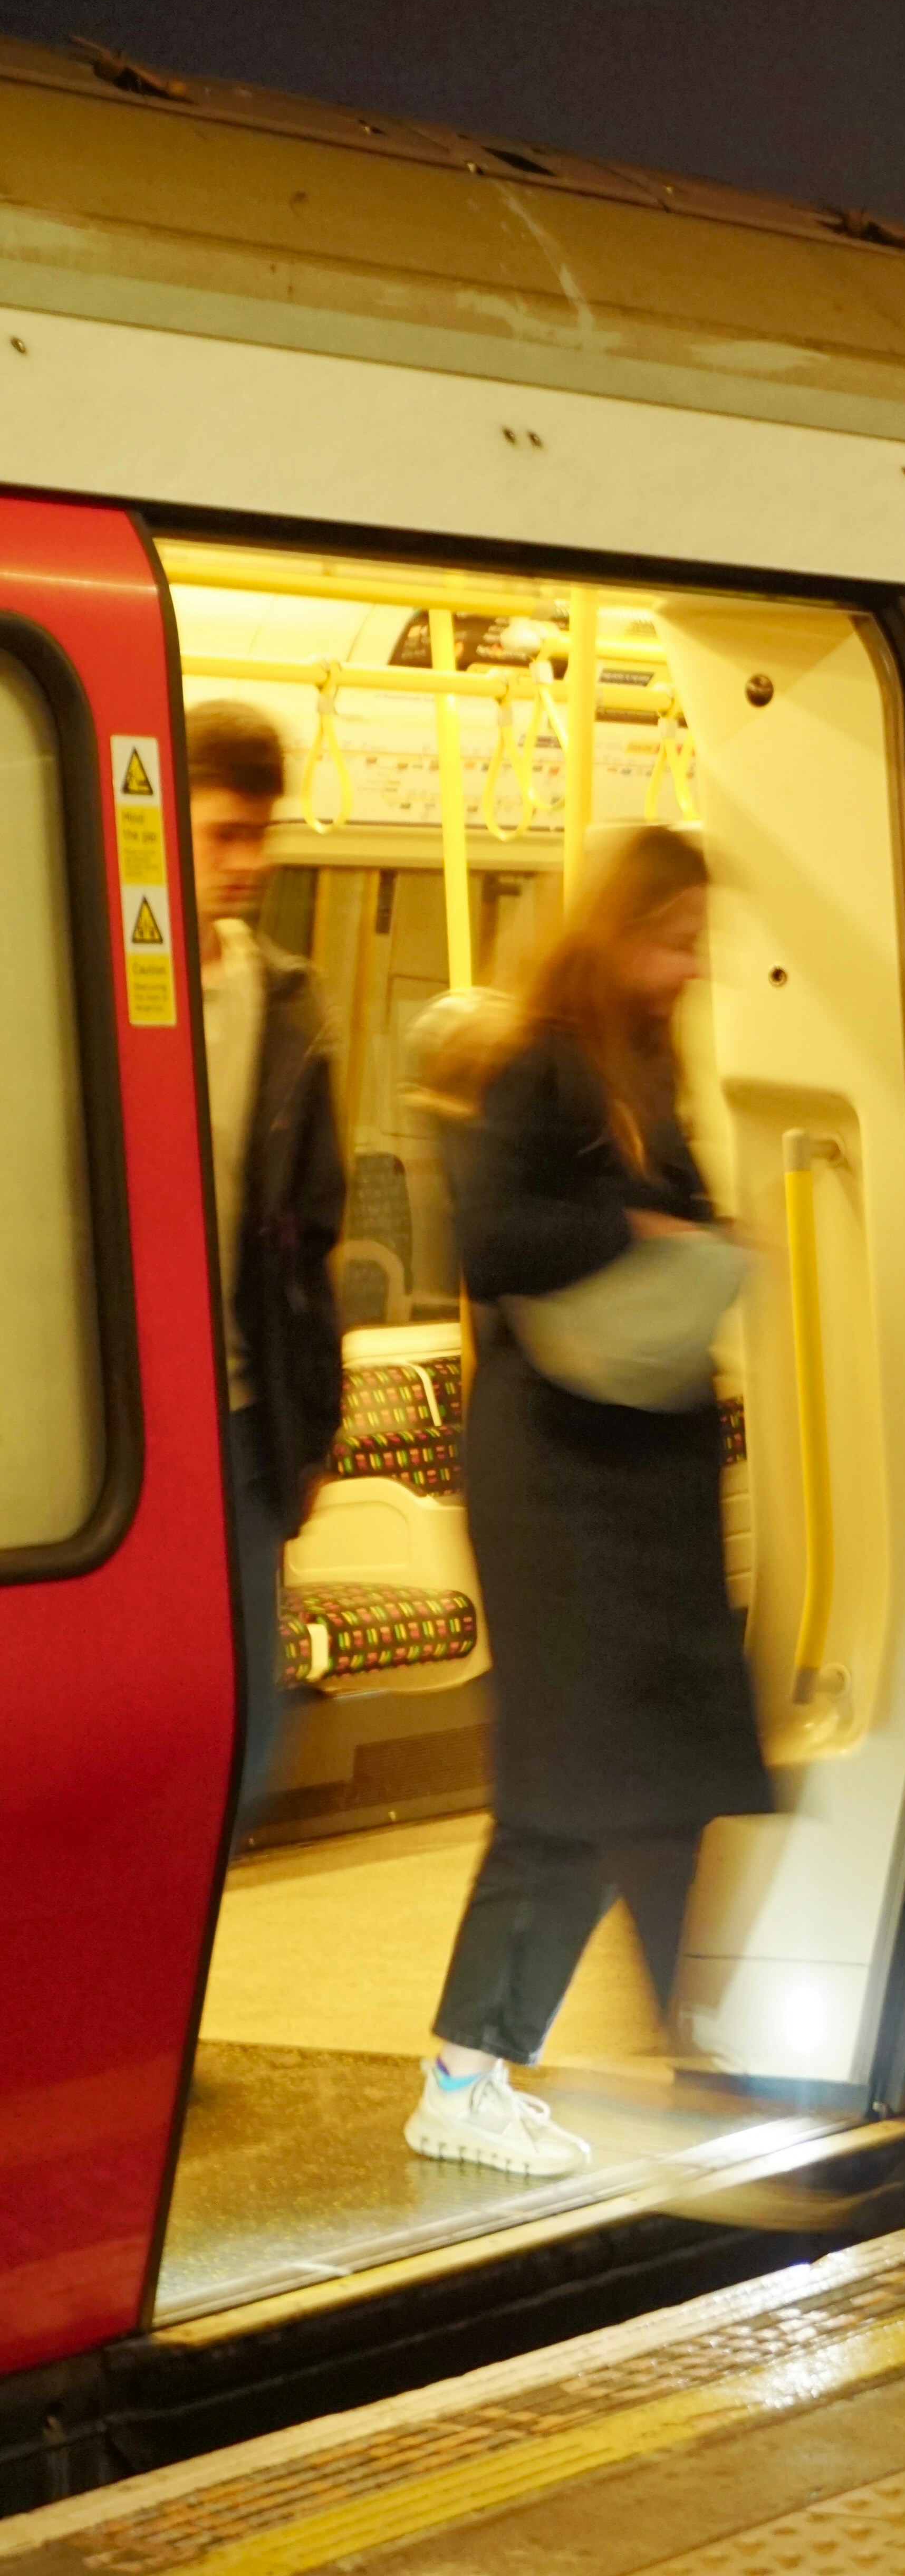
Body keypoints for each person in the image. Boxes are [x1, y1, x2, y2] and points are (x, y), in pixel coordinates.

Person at [405, 825, 771, 2181]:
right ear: (619, 929)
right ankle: (463, 2066)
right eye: (674, 938)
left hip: (632, 1467)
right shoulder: (534, 1060)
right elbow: (493, 1242)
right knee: (569, 1782)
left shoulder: (635, 1060)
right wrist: (650, 1236)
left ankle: (691, 2038)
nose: (688, 968)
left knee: (655, 1773)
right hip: (560, 1477)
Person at [188, 703, 345, 1836]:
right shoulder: (69, 972)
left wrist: (315, 1430)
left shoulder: (286, 1001)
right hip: (117, 1426)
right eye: (220, 835)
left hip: (245, 1413)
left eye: (259, 836)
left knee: (251, 1715)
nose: (245, 864)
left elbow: (309, 1238)